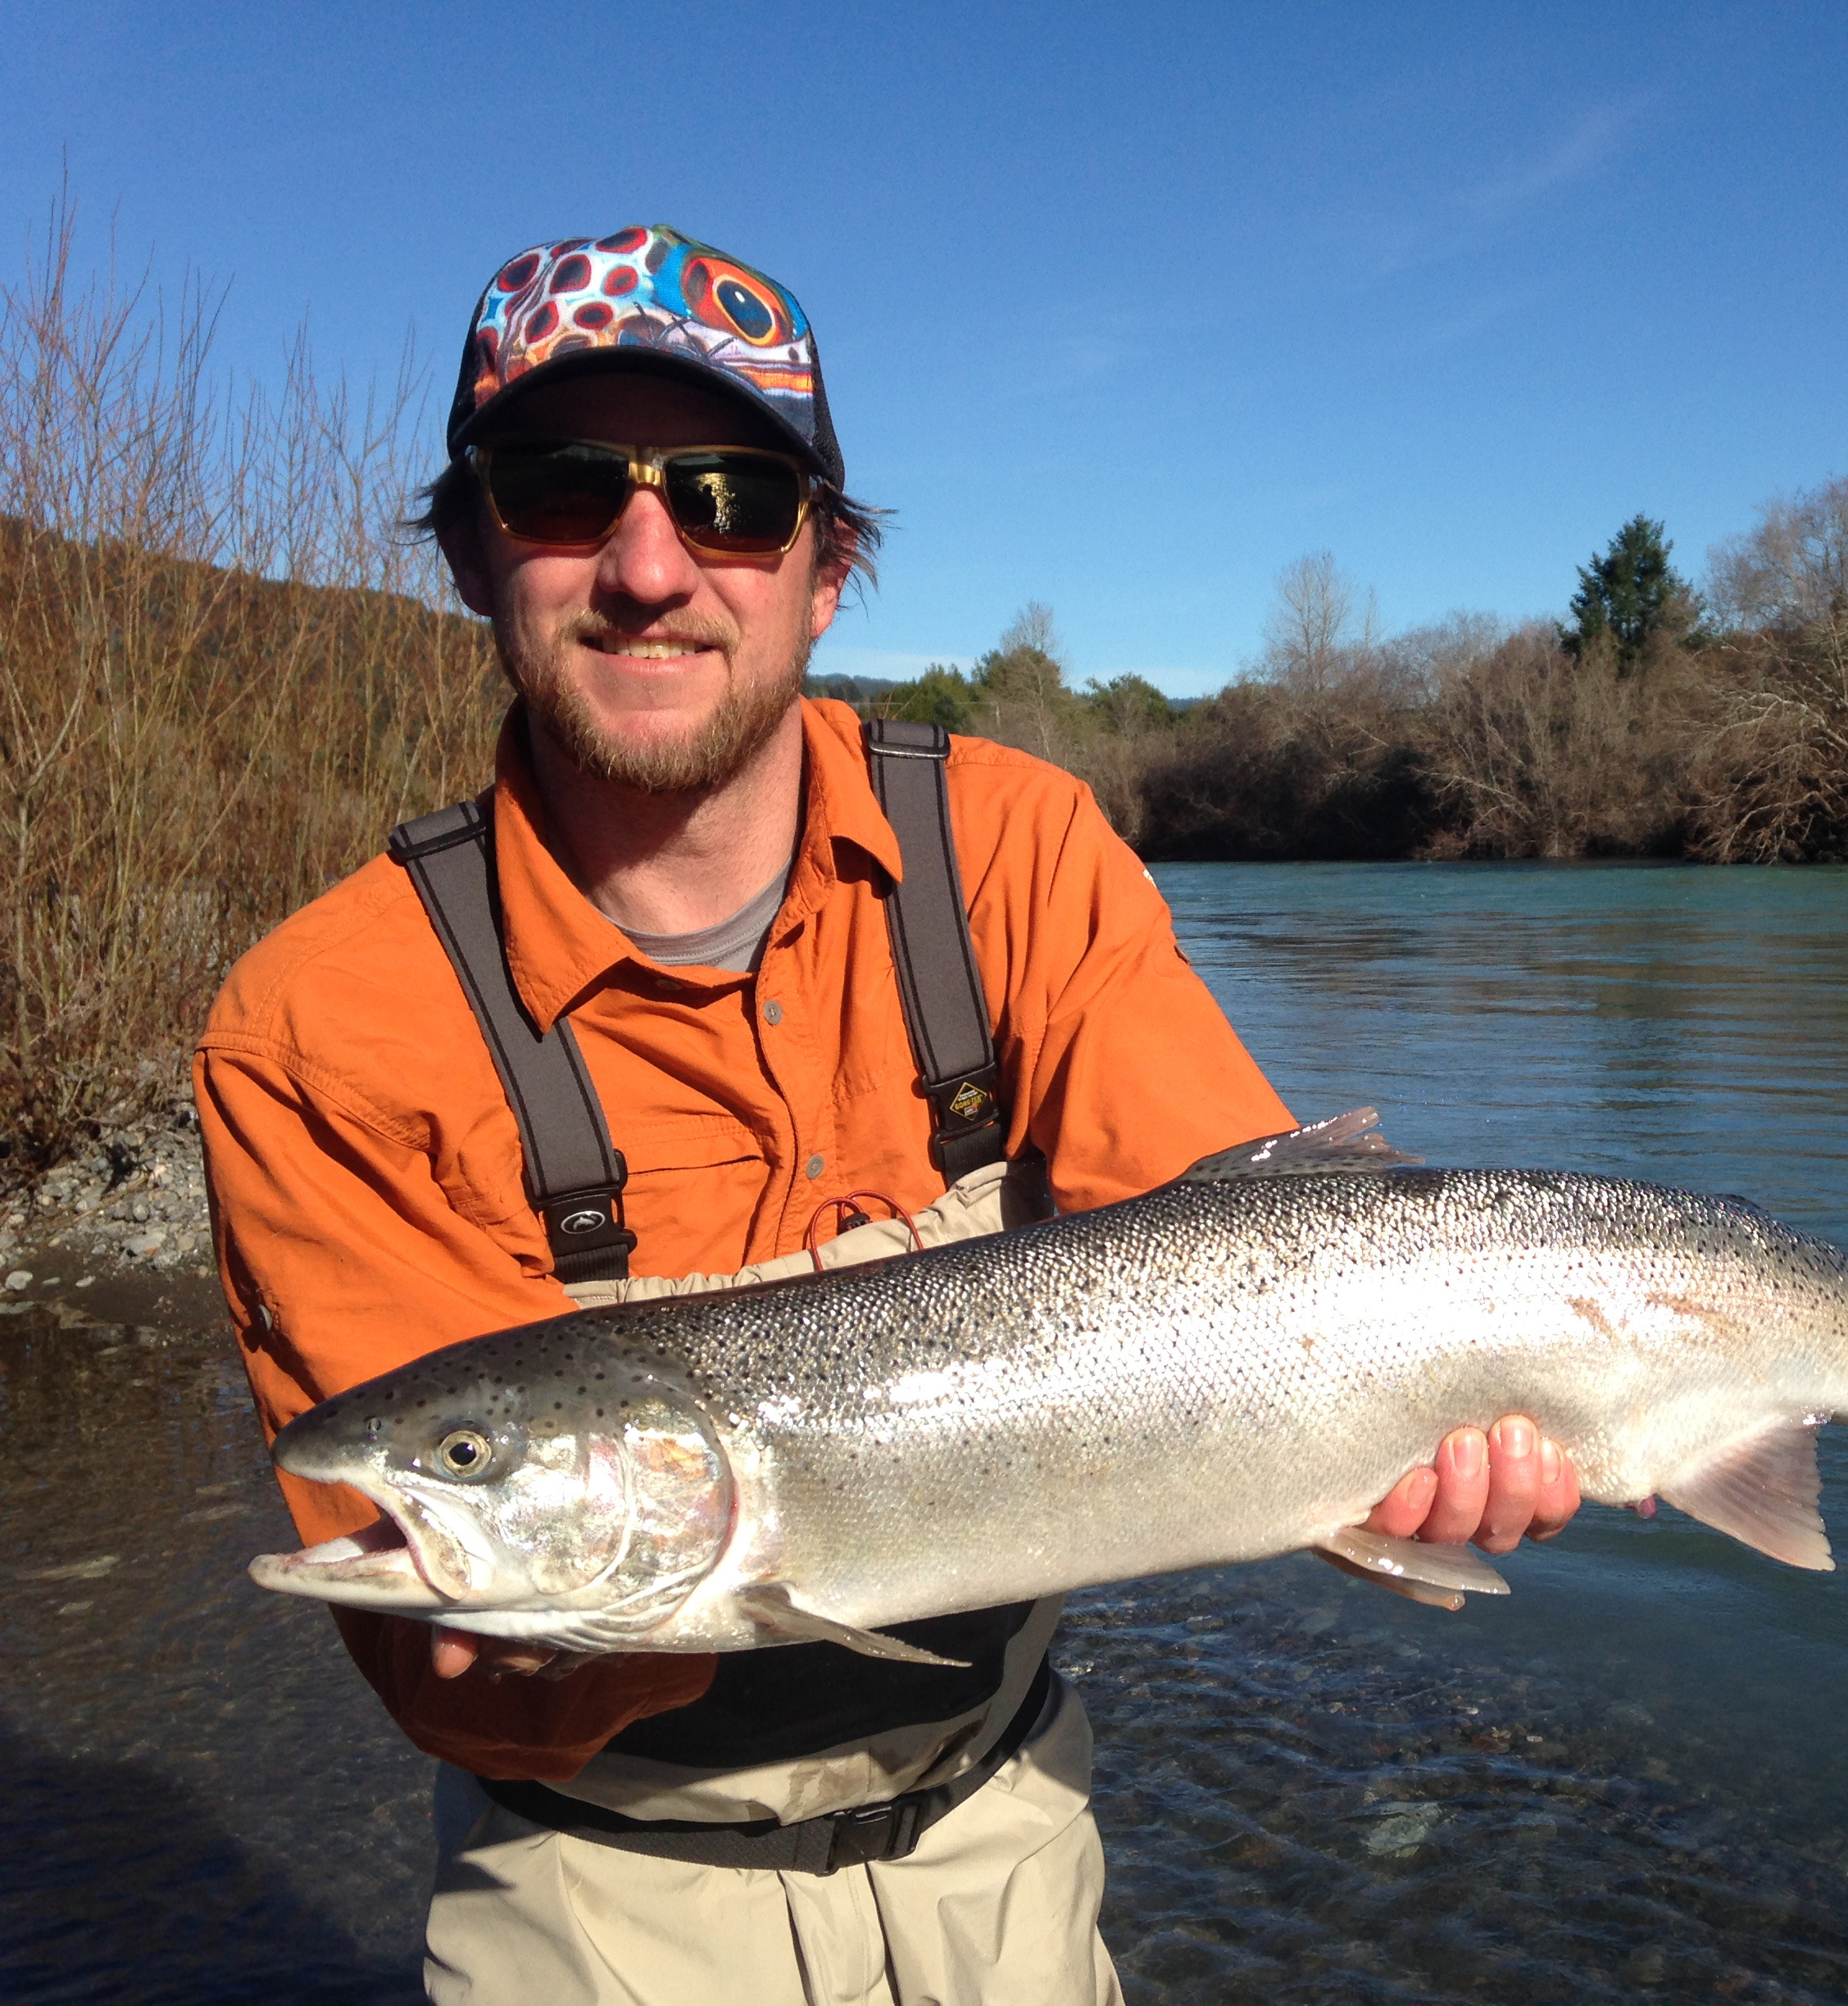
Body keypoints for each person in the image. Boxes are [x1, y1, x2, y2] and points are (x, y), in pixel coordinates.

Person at [196, 225, 1581, 2006]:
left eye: (727, 497)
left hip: (1004, 1830)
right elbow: (456, 1686)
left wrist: (1401, 1449)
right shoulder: (324, 1024)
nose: (646, 566)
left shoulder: (1010, 851)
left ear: (824, 568)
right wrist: (509, 1600)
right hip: (597, 1887)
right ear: (471, 550)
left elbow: (1250, 1257)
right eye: (561, 491)